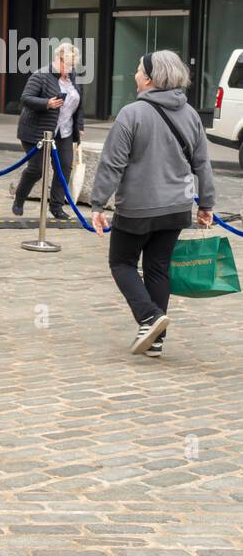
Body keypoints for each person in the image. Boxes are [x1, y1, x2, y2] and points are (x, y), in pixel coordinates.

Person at [89, 50, 216, 357]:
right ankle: (156, 340)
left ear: (149, 78)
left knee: (121, 263)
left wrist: (97, 204)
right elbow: (203, 164)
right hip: (176, 208)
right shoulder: (191, 115)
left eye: (137, 71)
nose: (134, 75)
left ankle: (149, 317)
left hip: (137, 207)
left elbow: (112, 164)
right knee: (158, 268)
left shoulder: (131, 114)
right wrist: (206, 204)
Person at [12, 41, 85, 219]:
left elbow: (79, 102)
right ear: (58, 60)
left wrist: (80, 126)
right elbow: (25, 98)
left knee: (64, 168)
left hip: (64, 131)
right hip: (36, 131)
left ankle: (57, 206)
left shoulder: (73, 77)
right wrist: (47, 103)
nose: (70, 69)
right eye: (68, 65)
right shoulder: (41, 75)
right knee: (36, 170)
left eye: (73, 65)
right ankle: (19, 199)